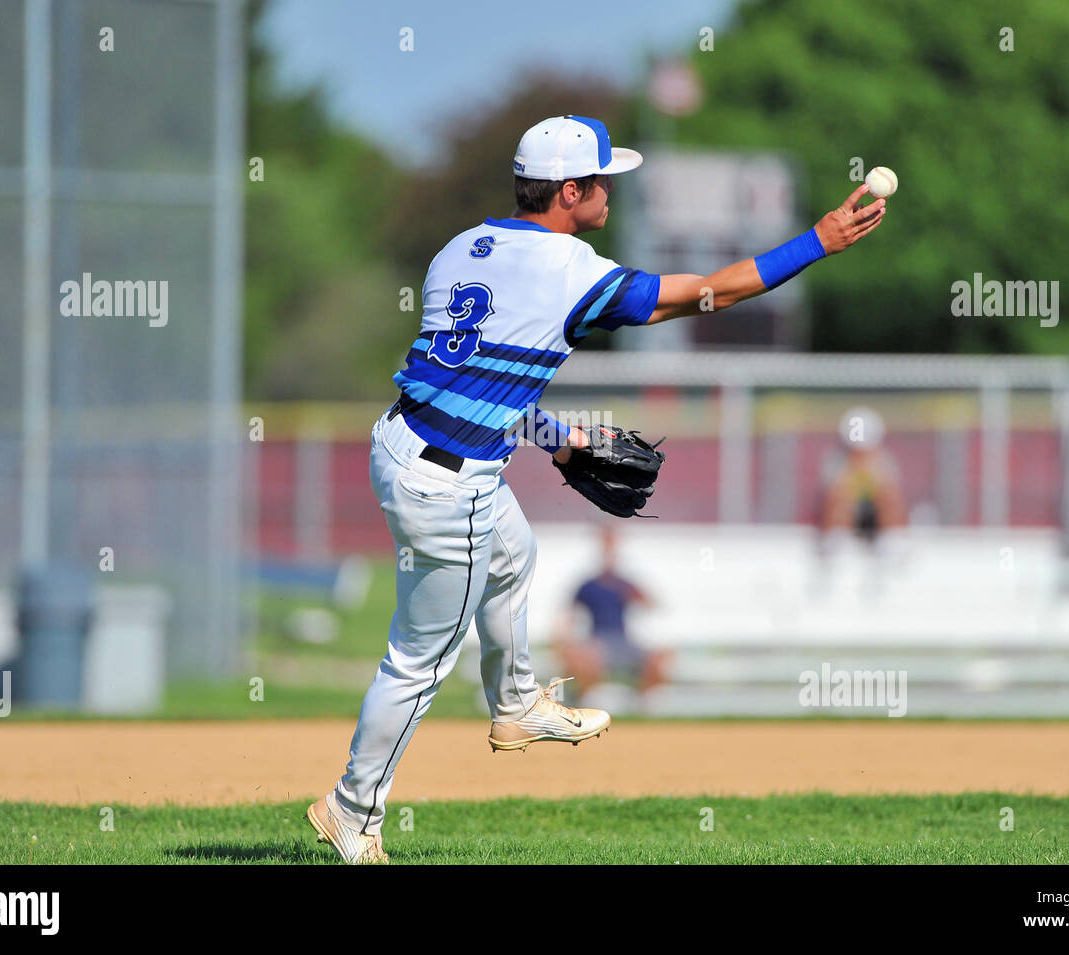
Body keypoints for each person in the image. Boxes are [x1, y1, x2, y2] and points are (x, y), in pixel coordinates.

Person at [307, 115, 886, 863]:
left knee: (514, 554)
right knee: (420, 659)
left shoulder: (462, 248)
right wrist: (818, 242)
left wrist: (559, 437)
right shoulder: (572, 269)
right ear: (569, 191)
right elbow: (709, 292)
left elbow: (471, 383)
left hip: (404, 442)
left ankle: (515, 704)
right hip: (448, 483)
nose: (613, 189)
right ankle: (354, 807)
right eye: (603, 179)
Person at [555, 525, 670, 695]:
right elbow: (568, 616)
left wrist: (636, 594)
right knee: (587, 659)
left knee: (658, 658)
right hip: (598, 641)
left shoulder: (625, 582)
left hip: (624, 641)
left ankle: (645, 707)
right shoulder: (588, 585)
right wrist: (565, 642)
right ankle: (587, 705)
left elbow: (652, 604)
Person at [820, 406, 905, 541]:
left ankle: (892, 541)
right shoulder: (836, 461)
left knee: (889, 496)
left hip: (875, 515)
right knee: (840, 497)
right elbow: (830, 497)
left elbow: (894, 496)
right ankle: (837, 540)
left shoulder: (885, 461)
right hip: (848, 513)